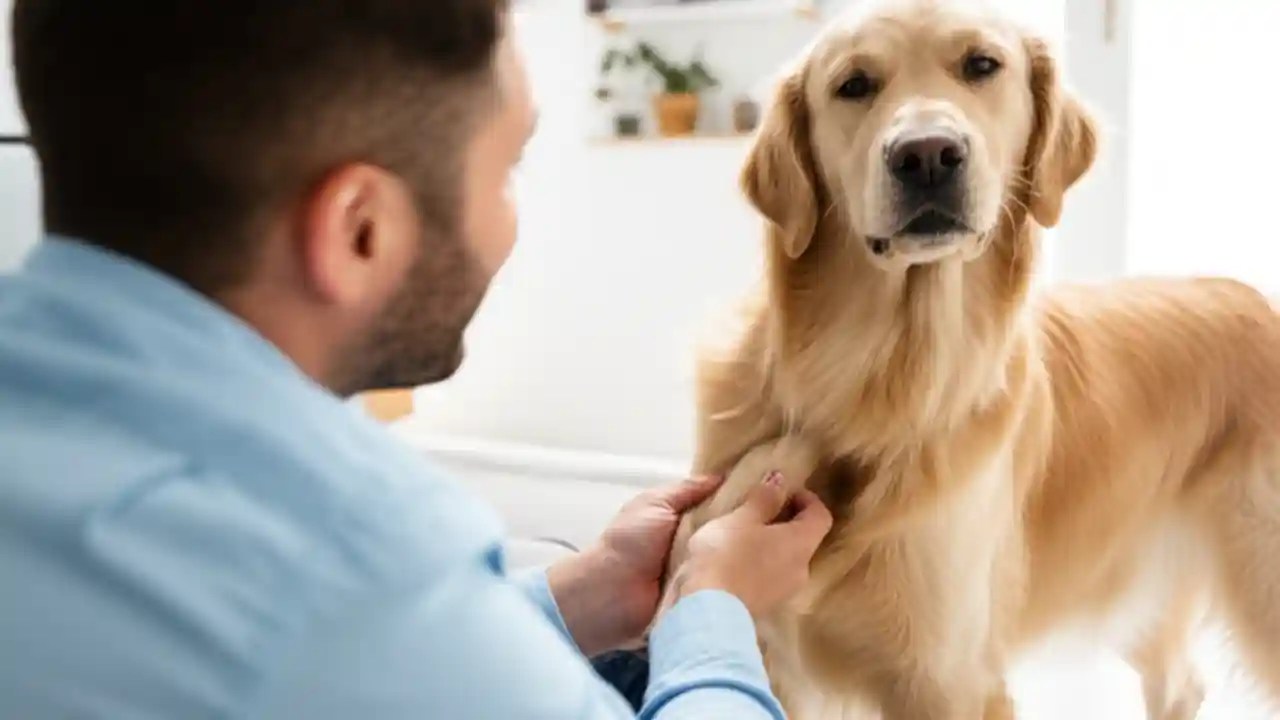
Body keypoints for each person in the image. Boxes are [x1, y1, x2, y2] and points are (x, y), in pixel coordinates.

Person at [0, 2, 834, 718]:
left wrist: (575, 598)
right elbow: (331, 627)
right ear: (360, 229)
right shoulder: (340, 564)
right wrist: (714, 612)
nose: (511, 221)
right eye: (507, 169)